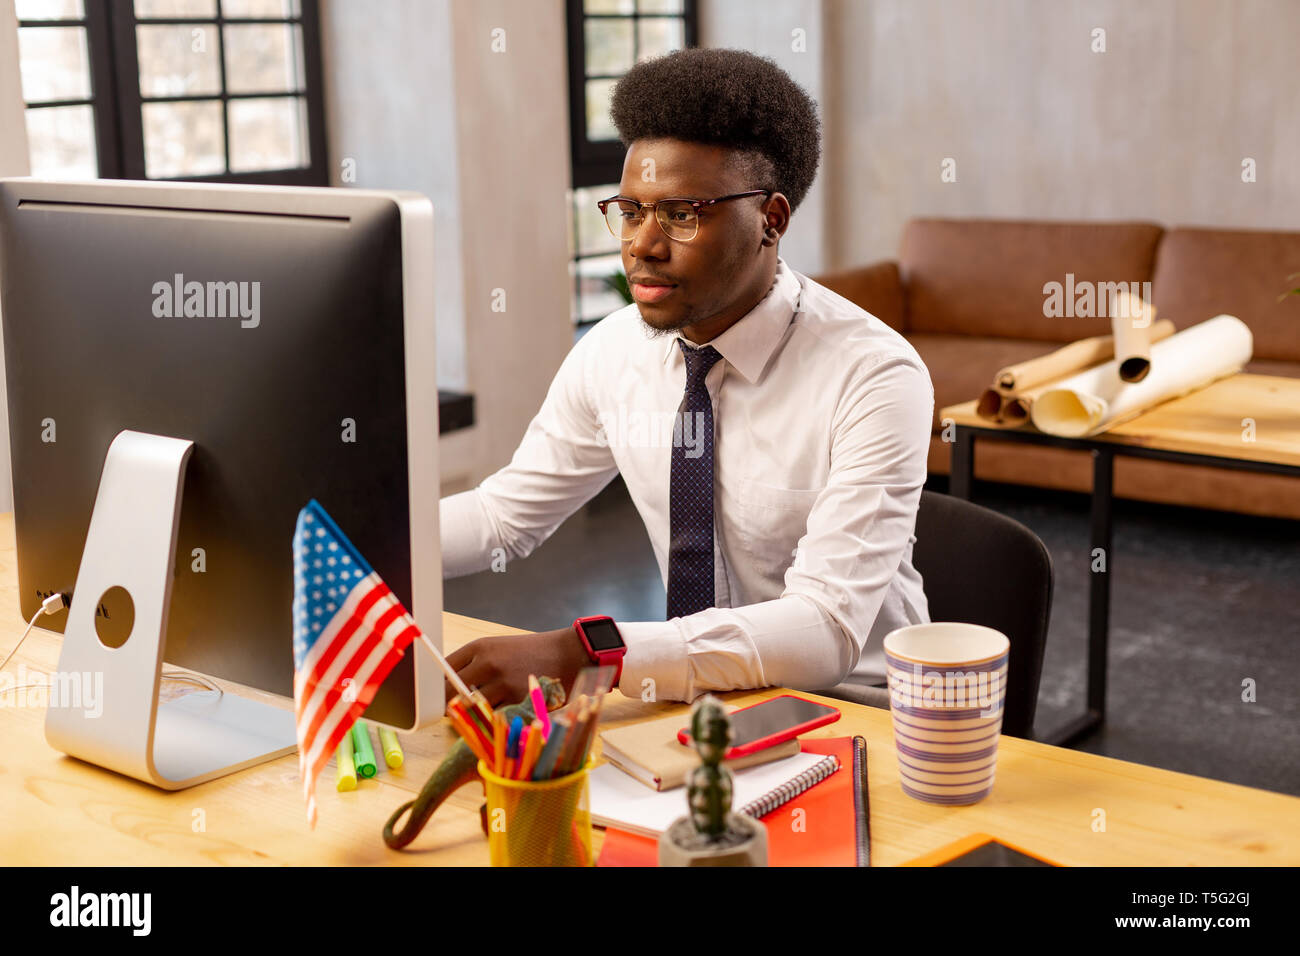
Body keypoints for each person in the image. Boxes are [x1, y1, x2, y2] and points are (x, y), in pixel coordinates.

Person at [441, 48, 933, 707]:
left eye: (681, 214)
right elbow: (504, 518)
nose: (642, 243)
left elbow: (824, 628)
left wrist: (587, 655)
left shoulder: (874, 375)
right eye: (630, 210)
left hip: (859, 706)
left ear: (772, 219)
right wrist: (358, 535)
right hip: (692, 693)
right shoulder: (614, 348)